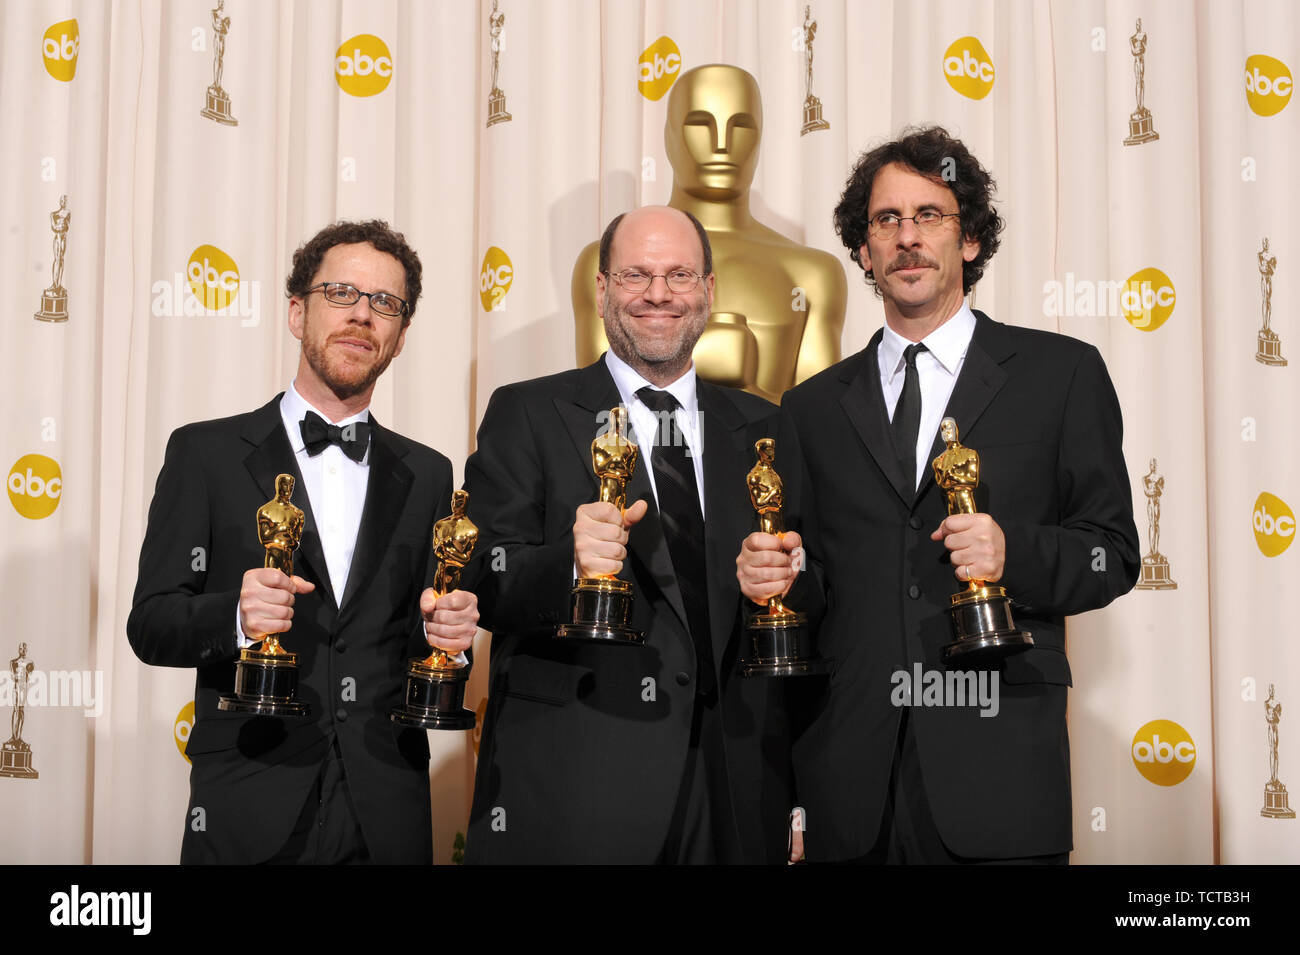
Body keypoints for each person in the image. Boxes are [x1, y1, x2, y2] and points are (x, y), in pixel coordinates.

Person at [738, 126, 1139, 863]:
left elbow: (1111, 555)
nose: (907, 237)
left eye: (931, 216)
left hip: (998, 778)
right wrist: (781, 578)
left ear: (973, 240)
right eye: (887, 221)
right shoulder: (811, 407)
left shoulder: (1062, 375)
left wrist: (1013, 551)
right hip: (847, 790)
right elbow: (811, 589)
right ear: (863, 252)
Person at [127, 219, 479, 864]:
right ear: (297, 311)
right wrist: (235, 616)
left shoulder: (430, 473)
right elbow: (150, 625)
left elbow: (420, 634)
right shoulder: (205, 454)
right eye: (341, 293)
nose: (361, 317)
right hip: (247, 800)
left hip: (385, 807)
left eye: (384, 304)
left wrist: (452, 646)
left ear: (401, 336)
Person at [464, 205, 798, 863]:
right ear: (601, 289)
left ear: (707, 290)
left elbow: (813, 597)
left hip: (737, 792)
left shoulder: (768, 427)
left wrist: (793, 570)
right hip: (581, 793)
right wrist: (566, 562)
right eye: (636, 275)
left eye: (679, 274)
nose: (658, 294)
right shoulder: (527, 412)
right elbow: (478, 576)